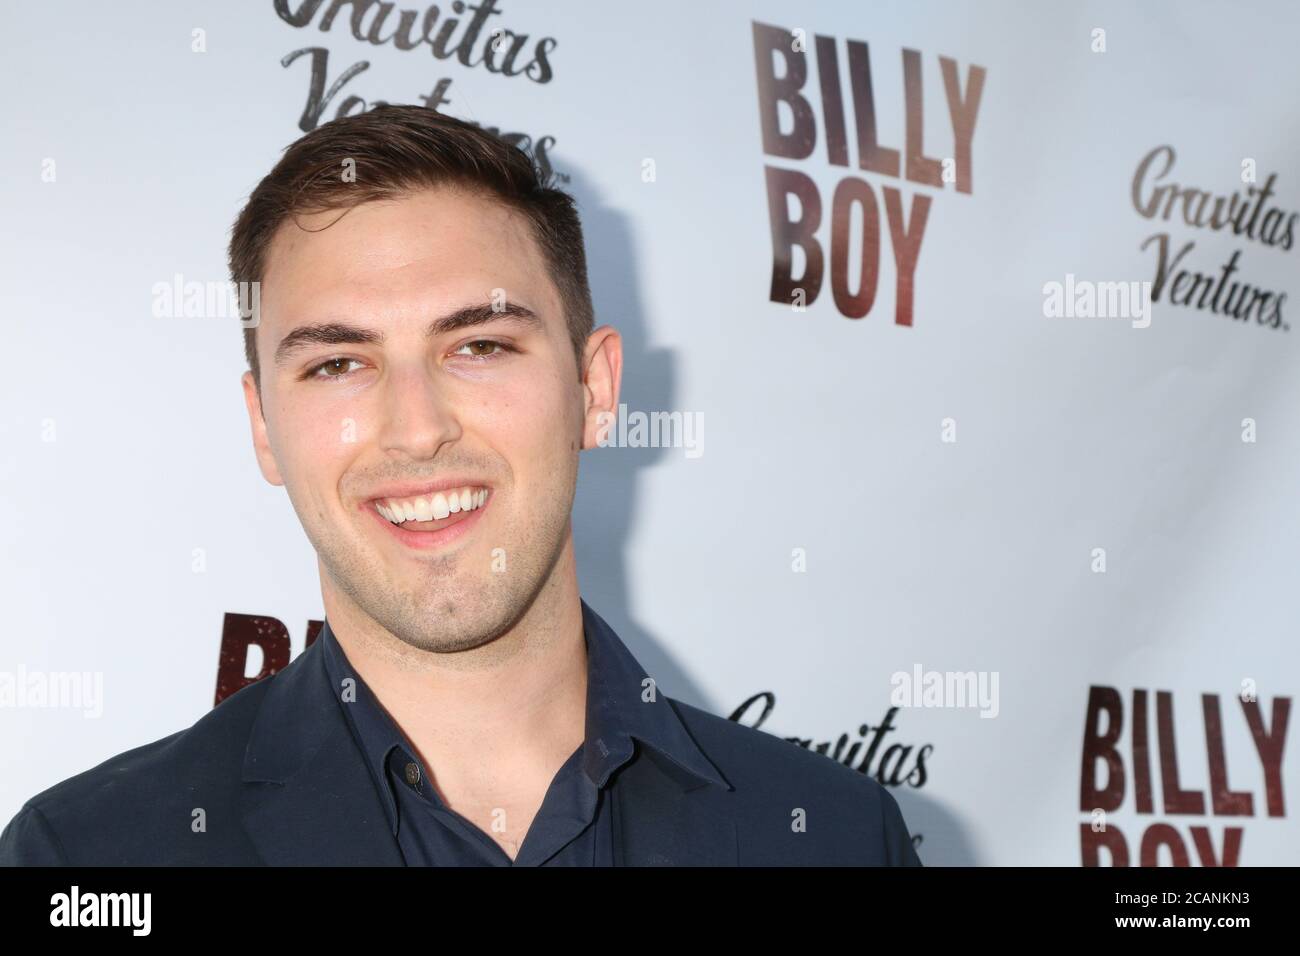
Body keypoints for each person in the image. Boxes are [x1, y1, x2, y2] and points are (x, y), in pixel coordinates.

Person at [0, 105, 921, 866]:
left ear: (593, 391)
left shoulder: (831, 836)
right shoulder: (90, 858)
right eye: (336, 364)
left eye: (478, 346)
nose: (418, 427)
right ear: (262, 429)